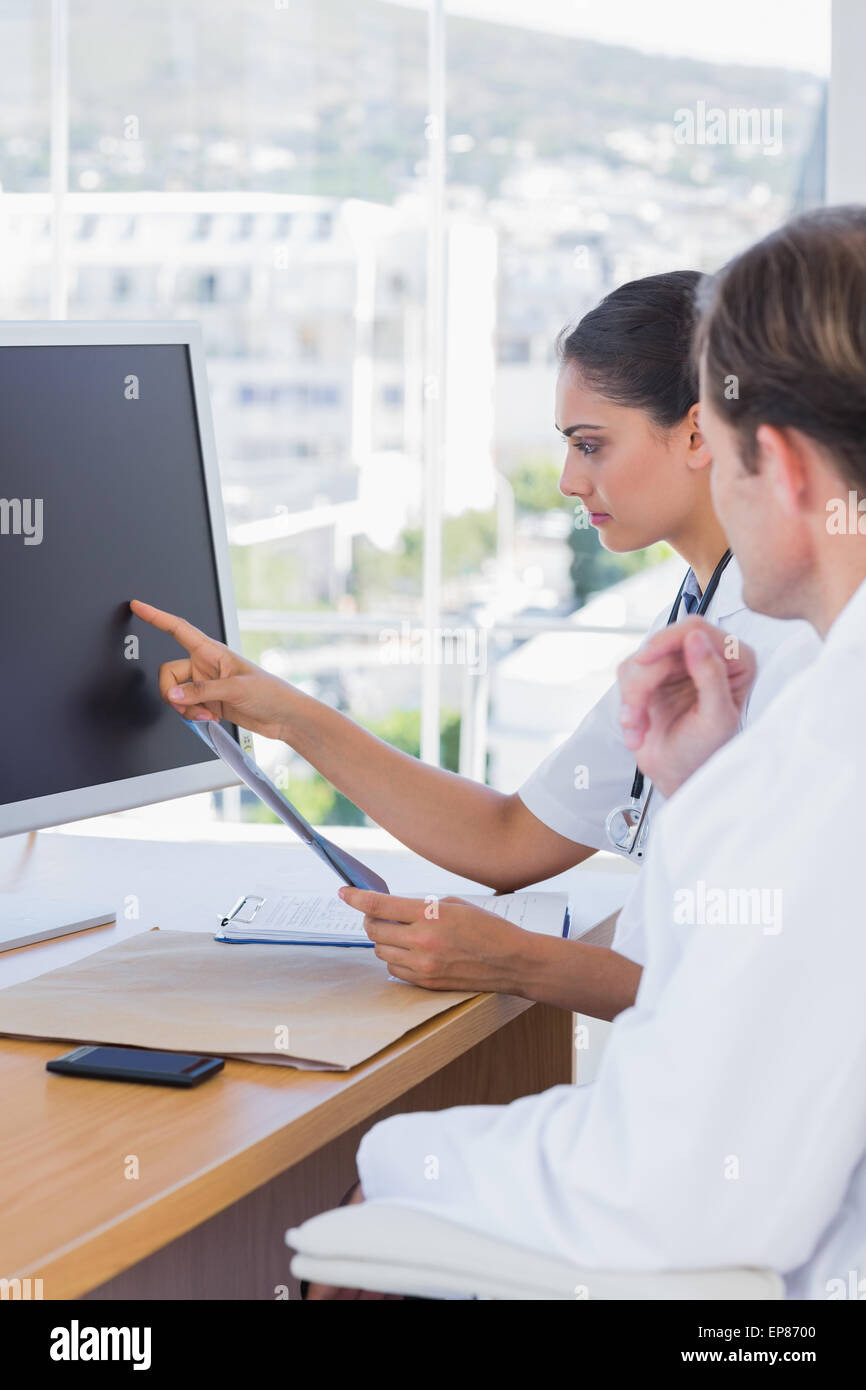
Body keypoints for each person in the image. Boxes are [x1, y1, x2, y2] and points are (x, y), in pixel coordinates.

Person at [309, 204, 866, 1299]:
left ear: (784, 468)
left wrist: (393, 1161)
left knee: (350, 1224)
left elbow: (675, 1186)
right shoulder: (792, 725)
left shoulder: (820, 751)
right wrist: (704, 792)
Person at [131, 273, 817, 1024]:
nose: (565, 480)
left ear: (696, 434)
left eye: (591, 446)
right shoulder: (703, 605)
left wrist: (517, 961)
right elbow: (512, 838)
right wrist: (283, 713)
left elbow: (779, 984)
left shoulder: (797, 638)